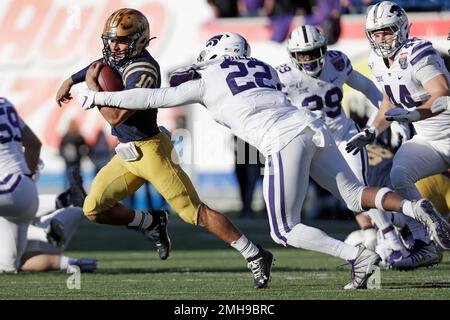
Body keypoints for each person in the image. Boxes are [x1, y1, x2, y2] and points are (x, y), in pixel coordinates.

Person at [78, 32, 450, 289]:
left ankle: (357, 257)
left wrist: (97, 98)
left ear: (213, 52)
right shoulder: (264, 69)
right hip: (312, 127)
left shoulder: (207, 75)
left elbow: (150, 98)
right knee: (357, 197)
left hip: (281, 139)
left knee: (284, 230)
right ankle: (415, 208)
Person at [56, 8, 273, 289]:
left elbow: (115, 116)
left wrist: (92, 88)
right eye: (110, 40)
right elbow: (97, 66)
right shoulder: (117, 57)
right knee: (94, 209)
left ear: (139, 41)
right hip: (126, 153)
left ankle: (255, 253)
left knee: (194, 213)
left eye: (121, 41)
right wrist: (69, 81)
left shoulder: (143, 69)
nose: (114, 46)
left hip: (153, 151)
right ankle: (151, 222)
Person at [275, 24, 426, 268]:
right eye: (302, 54)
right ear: (292, 56)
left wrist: (393, 116)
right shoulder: (283, 76)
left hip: (344, 137)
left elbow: (367, 87)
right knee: (350, 201)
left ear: (324, 49)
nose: (308, 59)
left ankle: (391, 240)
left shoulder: (337, 63)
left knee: (360, 191)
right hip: (313, 144)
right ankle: (403, 221)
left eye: (313, 52)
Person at [345, 1, 450, 250]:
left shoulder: (417, 52)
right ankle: (423, 240)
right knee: (398, 175)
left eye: (387, 31)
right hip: (430, 140)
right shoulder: (377, 61)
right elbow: (388, 102)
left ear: (401, 29)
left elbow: (443, 95)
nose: (381, 39)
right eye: (376, 34)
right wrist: (372, 130)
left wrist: (414, 114)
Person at [59, 119, 88, 188]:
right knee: (76, 176)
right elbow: (84, 147)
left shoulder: (66, 136)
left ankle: (67, 191)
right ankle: (78, 190)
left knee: (67, 176)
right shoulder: (79, 136)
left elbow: (61, 147)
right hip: (76, 160)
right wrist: (81, 155)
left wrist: (64, 156)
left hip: (68, 160)